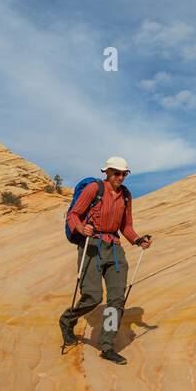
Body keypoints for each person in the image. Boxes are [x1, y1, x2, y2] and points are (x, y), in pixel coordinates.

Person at [59, 156, 153, 364]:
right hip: (92, 245)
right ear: (107, 172)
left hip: (115, 250)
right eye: (116, 173)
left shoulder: (126, 195)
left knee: (117, 300)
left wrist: (137, 240)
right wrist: (81, 228)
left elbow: (126, 226)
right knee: (92, 296)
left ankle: (107, 345)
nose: (120, 177)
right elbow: (73, 214)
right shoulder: (94, 189)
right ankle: (68, 320)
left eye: (124, 174)